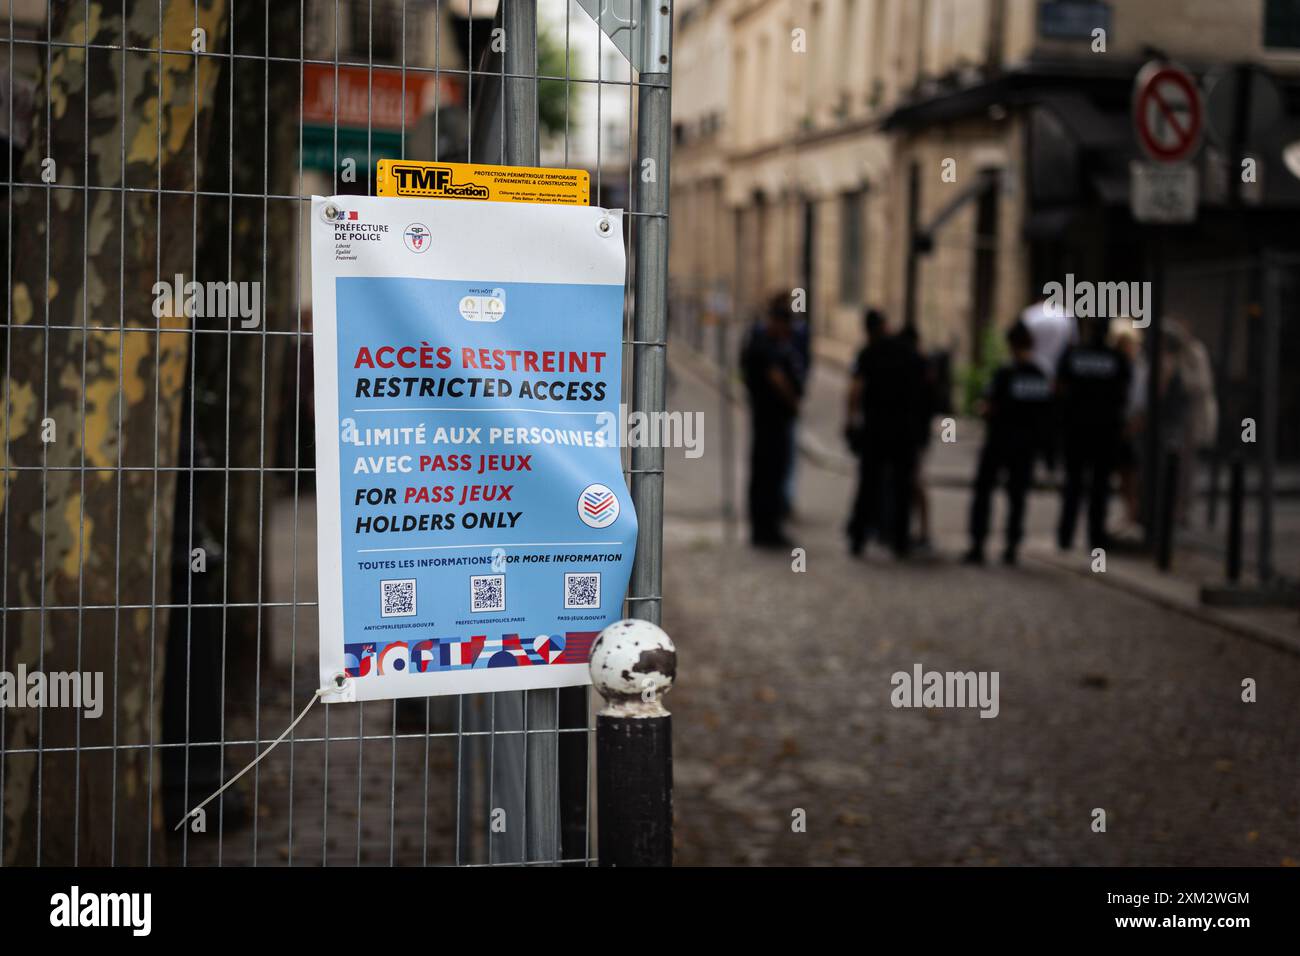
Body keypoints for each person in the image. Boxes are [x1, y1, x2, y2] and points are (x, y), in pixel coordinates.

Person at [964, 321, 1053, 566]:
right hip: (1025, 445)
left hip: (999, 441)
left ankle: (978, 545)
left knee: (984, 492)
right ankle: (1012, 547)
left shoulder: (1005, 373)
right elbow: (1046, 412)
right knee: (1017, 497)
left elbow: (987, 406)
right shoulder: (1040, 375)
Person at [846, 308, 927, 558]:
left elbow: (855, 389)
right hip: (903, 429)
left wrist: (850, 421)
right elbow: (923, 390)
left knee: (868, 483)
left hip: (876, 428)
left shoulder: (868, 353)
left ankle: (858, 536)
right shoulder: (909, 353)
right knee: (902, 485)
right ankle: (900, 541)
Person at [1056, 316, 1131, 553]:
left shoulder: (1073, 354)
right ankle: (1095, 536)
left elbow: (1059, 386)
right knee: (1100, 487)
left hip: (1076, 430)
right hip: (1105, 431)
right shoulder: (1117, 358)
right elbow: (1124, 392)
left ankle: (1065, 536)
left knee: (1073, 484)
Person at [741, 294, 804, 548]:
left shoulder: (766, 344)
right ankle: (765, 530)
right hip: (770, 421)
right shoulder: (763, 346)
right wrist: (793, 401)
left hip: (770, 420)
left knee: (770, 475)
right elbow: (777, 379)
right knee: (768, 475)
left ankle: (768, 528)